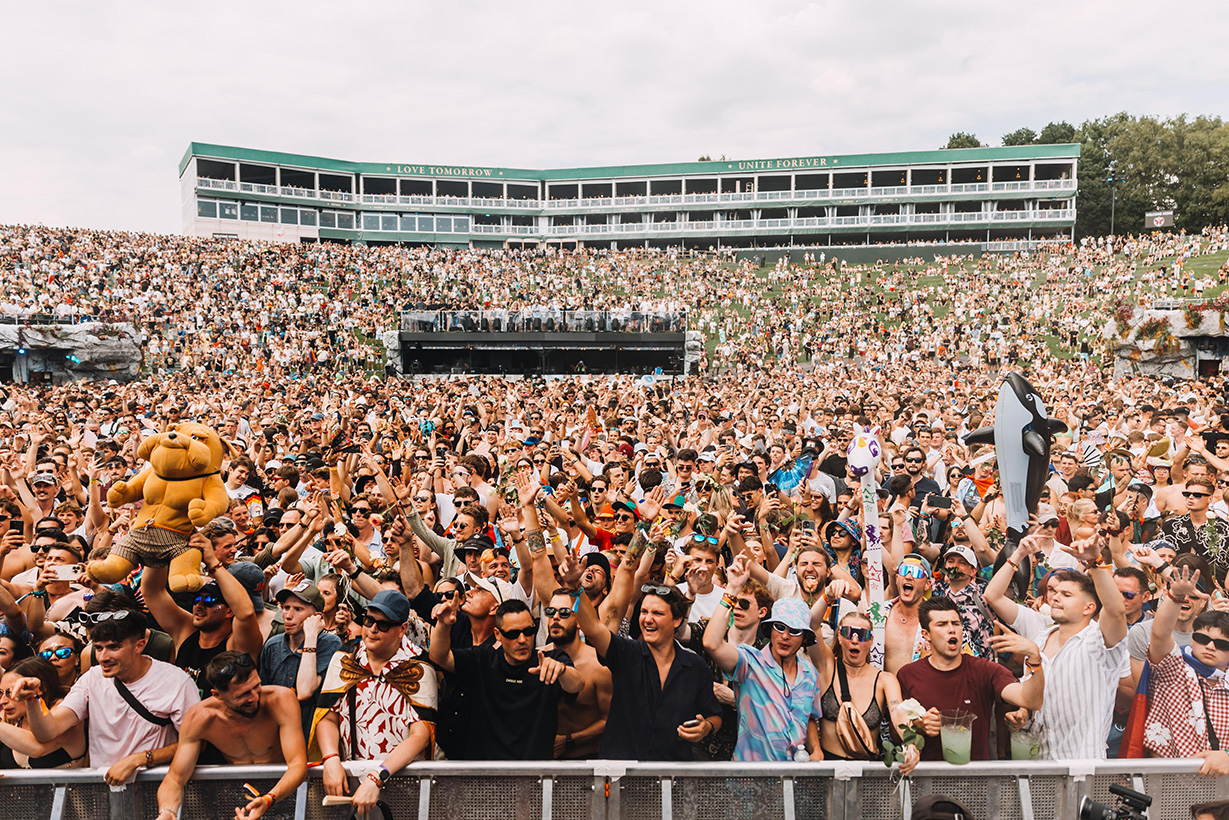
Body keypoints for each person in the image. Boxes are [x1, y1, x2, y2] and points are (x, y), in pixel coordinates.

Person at [562, 550, 723, 761]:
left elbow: (714, 714)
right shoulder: (626, 653)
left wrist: (706, 727)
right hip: (622, 772)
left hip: (670, 772)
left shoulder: (695, 666)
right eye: (644, 612)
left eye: (657, 613)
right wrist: (575, 587)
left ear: (676, 620)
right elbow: (592, 627)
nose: (647, 619)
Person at [13, 606, 199, 784]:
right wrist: (32, 698)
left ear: (139, 645)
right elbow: (48, 731)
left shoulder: (176, 682)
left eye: (113, 647)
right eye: (99, 648)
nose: (103, 657)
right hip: (103, 790)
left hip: (153, 788)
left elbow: (196, 742)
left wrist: (141, 759)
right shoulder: (91, 678)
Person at [989, 534, 1129, 760]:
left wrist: (1095, 562)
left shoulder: (1098, 641)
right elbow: (1035, 694)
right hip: (1040, 761)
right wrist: (1024, 713)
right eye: (1054, 593)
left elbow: (1116, 611)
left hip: (1081, 764)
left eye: (1066, 594)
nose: (1055, 598)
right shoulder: (1041, 638)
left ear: (1088, 608)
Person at [316, 590, 433, 811]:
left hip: (404, 784)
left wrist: (377, 777)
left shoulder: (418, 666)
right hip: (350, 783)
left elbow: (421, 734)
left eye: (383, 624)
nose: (372, 629)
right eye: (368, 620)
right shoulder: (345, 658)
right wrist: (330, 758)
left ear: (402, 629)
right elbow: (327, 716)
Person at [155, 651, 308, 820]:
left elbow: (297, 765)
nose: (254, 697)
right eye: (243, 694)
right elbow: (175, 779)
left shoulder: (280, 700)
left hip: (284, 791)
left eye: (257, 686)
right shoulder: (200, 718)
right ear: (217, 695)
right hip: (237, 796)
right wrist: (167, 812)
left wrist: (268, 799)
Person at [896, 597, 1044, 770]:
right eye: (942, 624)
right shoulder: (908, 675)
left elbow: (1032, 701)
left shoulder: (985, 670)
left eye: (956, 623)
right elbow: (894, 732)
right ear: (926, 634)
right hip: (925, 776)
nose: (951, 629)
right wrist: (918, 725)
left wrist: (1034, 657)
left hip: (976, 778)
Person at [429, 596, 582, 760]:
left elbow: (577, 684)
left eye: (528, 631)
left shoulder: (549, 660)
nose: (522, 640)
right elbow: (440, 657)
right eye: (513, 634)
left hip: (534, 770)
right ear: (498, 634)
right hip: (485, 770)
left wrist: (562, 670)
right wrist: (443, 625)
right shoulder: (483, 659)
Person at [702, 555, 819, 762]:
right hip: (750, 775)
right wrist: (731, 591)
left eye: (794, 631)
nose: (785, 636)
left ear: (804, 638)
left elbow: (809, 716)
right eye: (779, 627)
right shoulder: (749, 662)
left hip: (795, 775)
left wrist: (816, 749)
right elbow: (712, 643)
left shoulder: (810, 673)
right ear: (770, 629)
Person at [1145, 567, 1229, 775]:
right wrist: (1175, 597)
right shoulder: (1175, 670)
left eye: (1221, 644)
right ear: (1192, 638)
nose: (1210, 647)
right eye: (1202, 639)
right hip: (1172, 780)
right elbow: (1160, 634)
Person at [257, 580, 343, 737]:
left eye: (298, 609)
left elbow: (305, 691)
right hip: (277, 734)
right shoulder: (273, 645)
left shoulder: (330, 644)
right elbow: (263, 695)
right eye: (286, 608)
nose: (288, 616)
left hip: (312, 736)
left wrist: (310, 637)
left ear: (317, 617)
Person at [0, 656, 86, 768]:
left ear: (41, 688)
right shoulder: (10, 718)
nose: (3, 701)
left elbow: (37, 749)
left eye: (10, 692)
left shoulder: (66, 712)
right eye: (1, 693)